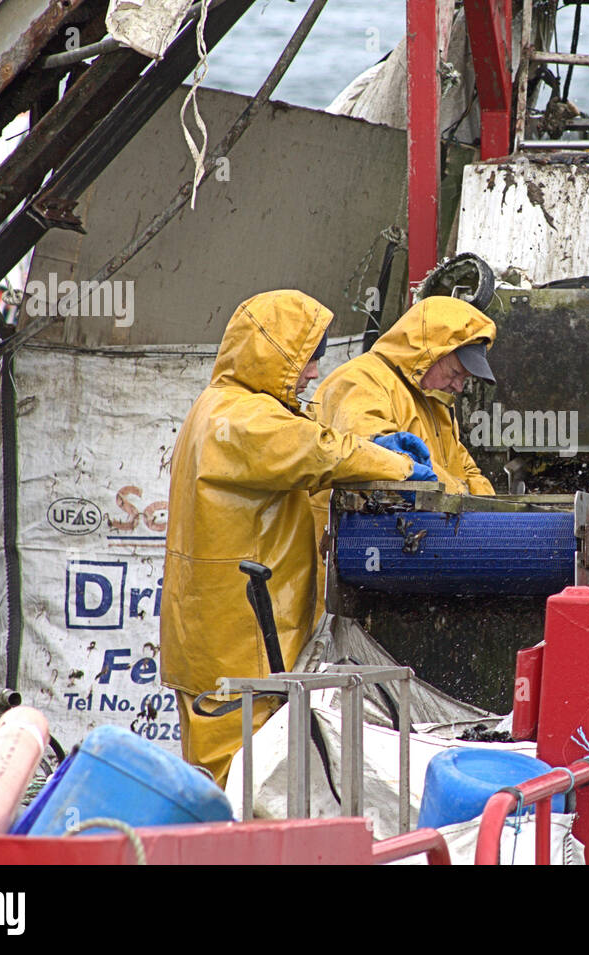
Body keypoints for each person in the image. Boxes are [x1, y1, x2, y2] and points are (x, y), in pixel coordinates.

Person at [160, 290, 433, 785]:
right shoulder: (244, 420)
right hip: (243, 650)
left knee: (218, 787)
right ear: (273, 355)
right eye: (307, 360)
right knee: (245, 788)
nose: (312, 374)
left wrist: (369, 447)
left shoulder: (220, 407)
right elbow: (318, 451)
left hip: (216, 643)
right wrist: (398, 465)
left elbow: (305, 443)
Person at [312, 295, 498, 495]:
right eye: (455, 373)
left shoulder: (434, 398)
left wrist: (489, 512)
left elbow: (463, 468)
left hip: (419, 523)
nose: (459, 387)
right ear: (429, 353)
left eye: (465, 378)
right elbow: (380, 458)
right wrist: (460, 497)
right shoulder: (360, 381)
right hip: (350, 525)